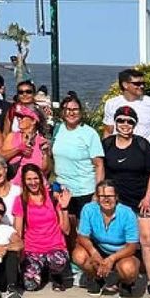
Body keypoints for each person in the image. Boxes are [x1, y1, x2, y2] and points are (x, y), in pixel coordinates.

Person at [102, 68, 150, 268]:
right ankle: (127, 249)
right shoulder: (112, 104)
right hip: (119, 162)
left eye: (143, 83)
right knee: (119, 208)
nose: (141, 86)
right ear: (125, 85)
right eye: (137, 83)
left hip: (144, 162)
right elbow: (107, 131)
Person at [103, 105, 150, 298]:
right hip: (115, 203)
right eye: (121, 120)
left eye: (129, 121)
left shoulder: (142, 145)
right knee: (119, 241)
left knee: (146, 239)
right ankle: (118, 277)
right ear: (115, 122)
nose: (125, 124)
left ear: (134, 124)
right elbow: (100, 169)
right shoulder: (108, 144)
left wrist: (148, 197)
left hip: (139, 201)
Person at [73, 180, 141, 296]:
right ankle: (97, 278)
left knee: (128, 269)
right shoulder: (88, 209)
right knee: (78, 256)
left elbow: (132, 246)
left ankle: (126, 283)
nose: (106, 199)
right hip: (99, 248)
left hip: (122, 252)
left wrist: (112, 259)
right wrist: (93, 252)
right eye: (102, 196)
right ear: (97, 197)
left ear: (116, 197)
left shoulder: (128, 213)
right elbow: (82, 236)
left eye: (110, 196)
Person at [13, 164, 71, 292]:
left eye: (36, 178)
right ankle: (42, 271)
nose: (33, 182)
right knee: (30, 286)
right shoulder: (20, 201)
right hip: (32, 249)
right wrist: (19, 253)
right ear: (23, 181)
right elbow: (18, 231)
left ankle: (56, 275)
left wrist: (65, 208)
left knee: (58, 261)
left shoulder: (52, 197)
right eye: (29, 179)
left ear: (41, 178)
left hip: (55, 247)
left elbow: (66, 230)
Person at [50, 92, 103, 231]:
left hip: (84, 190)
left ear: (80, 112)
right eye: (67, 109)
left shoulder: (89, 133)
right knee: (66, 229)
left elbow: (99, 165)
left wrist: (98, 193)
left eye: (74, 109)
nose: (71, 113)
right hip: (63, 189)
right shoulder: (58, 129)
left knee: (83, 231)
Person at [0, 104, 50, 186]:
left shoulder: (42, 141)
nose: (19, 119)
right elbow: (0, 158)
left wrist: (45, 153)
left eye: (22, 117)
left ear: (33, 121)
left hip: (35, 187)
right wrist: (18, 149)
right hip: (15, 187)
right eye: (18, 116)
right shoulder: (12, 136)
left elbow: (45, 170)